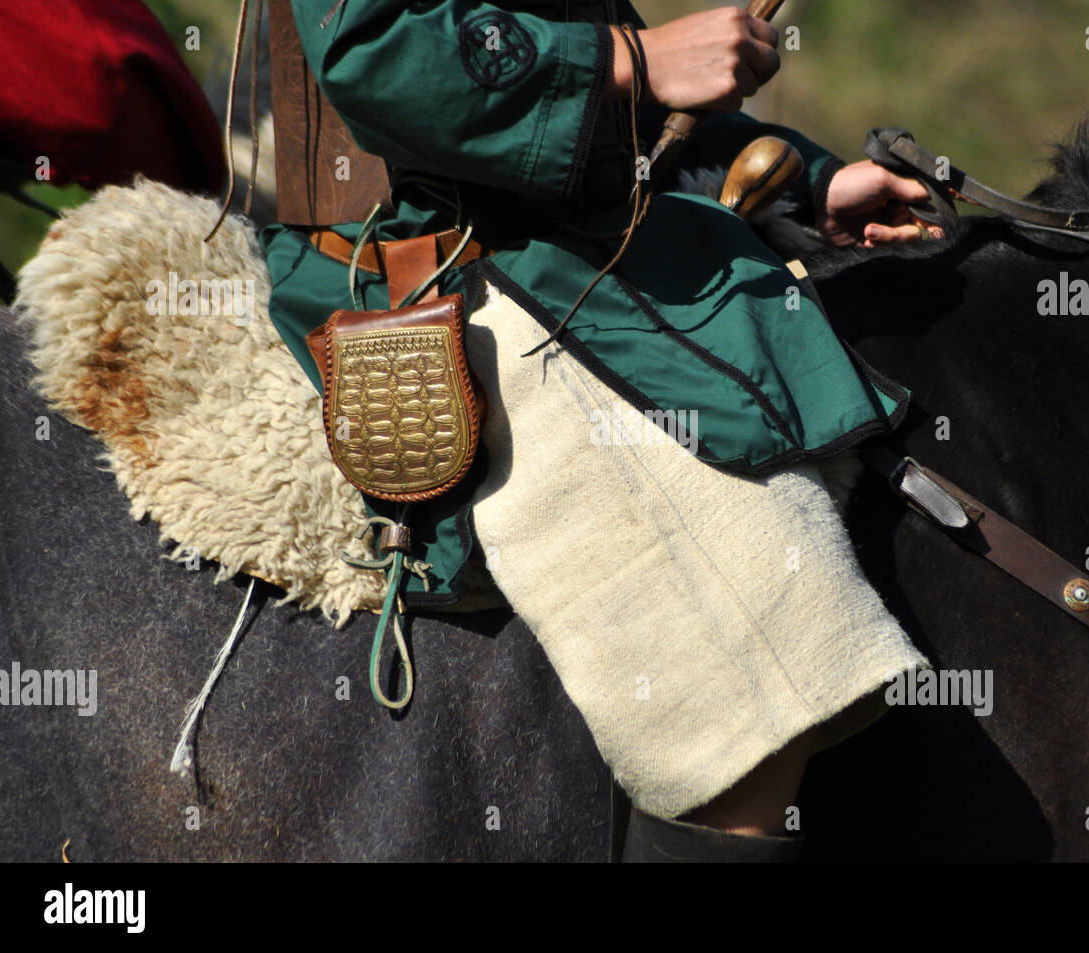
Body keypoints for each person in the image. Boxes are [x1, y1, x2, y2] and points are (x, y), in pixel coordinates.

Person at [261, 0, 938, 861]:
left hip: (590, 235)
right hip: (446, 265)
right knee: (765, 635)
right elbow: (374, 49)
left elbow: (616, 100)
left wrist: (807, 177)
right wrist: (636, 57)